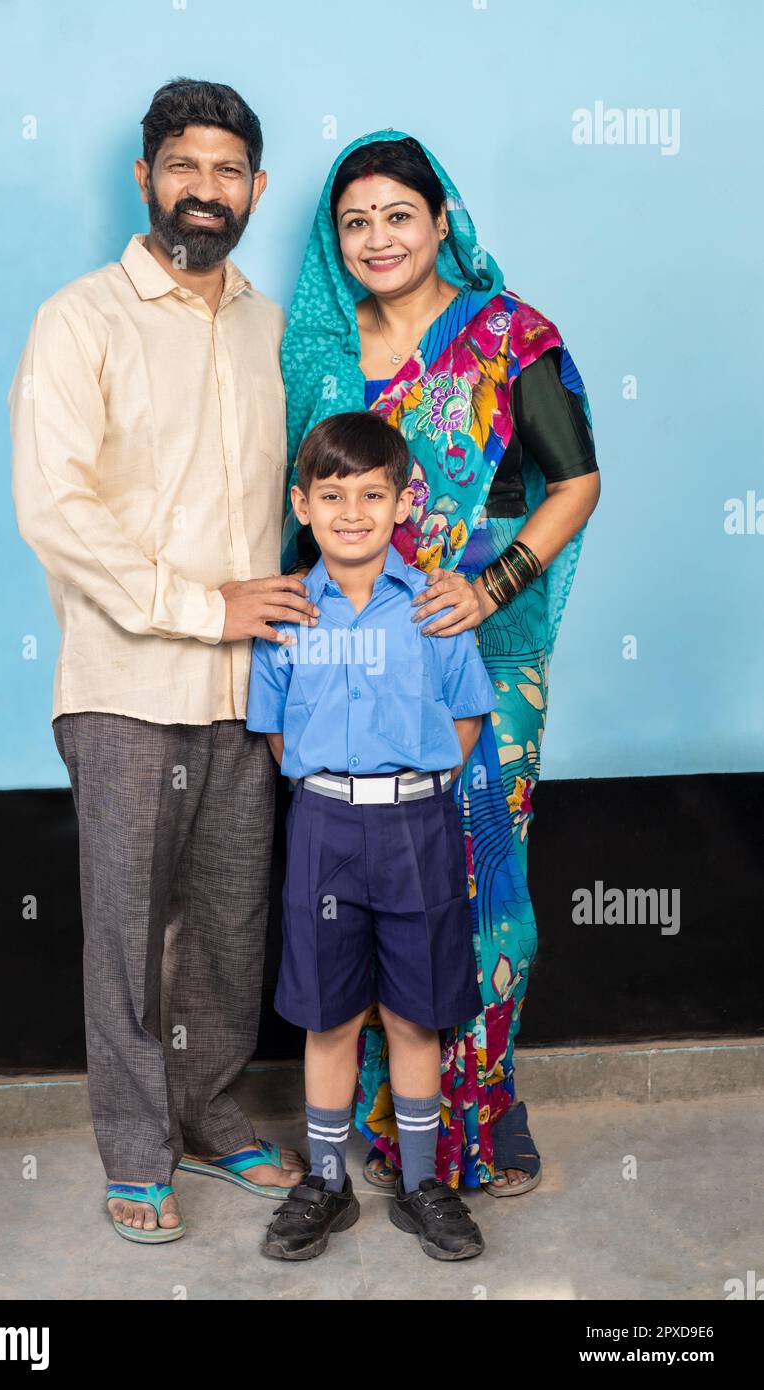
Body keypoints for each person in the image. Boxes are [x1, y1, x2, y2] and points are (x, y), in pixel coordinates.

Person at [8, 78, 313, 1244]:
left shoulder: (270, 324)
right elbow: (55, 510)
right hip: (126, 681)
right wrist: (203, 604)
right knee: (131, 934)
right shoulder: (78, 318)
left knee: (233, 924)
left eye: (228, 171)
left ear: (255, 189)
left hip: (249, 685)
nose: (205, 189)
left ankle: (212, 1107)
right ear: (145, 177)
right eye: (183, 165)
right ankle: (136, 1151)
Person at [280, 130, 601, 1195]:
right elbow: (294, 507)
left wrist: (491, 584)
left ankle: (488, 1101)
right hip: (356, 653)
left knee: (483, 871)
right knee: (373, 882)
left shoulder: (507, 334)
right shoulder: (322, 352)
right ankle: (388, 1109)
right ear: (336, 239)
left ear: (440, 221)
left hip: (478, 645)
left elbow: (574, 481)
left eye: (397, 216)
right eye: (354, 221)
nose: (377, 238)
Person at [247, 411, 499, 1261]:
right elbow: (280, 735)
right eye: (331, 494)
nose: (351, 511)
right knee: (328, 1015)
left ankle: (424, 1180)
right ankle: (326, 1181)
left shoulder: (435, 608)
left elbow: (465, 721)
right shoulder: (286, 614)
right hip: (323, 824)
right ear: (302, 504)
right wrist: (344, 788)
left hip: (417, 824)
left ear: (401, 503)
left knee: (416, 1012)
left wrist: (403, 787)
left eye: (371, 493)